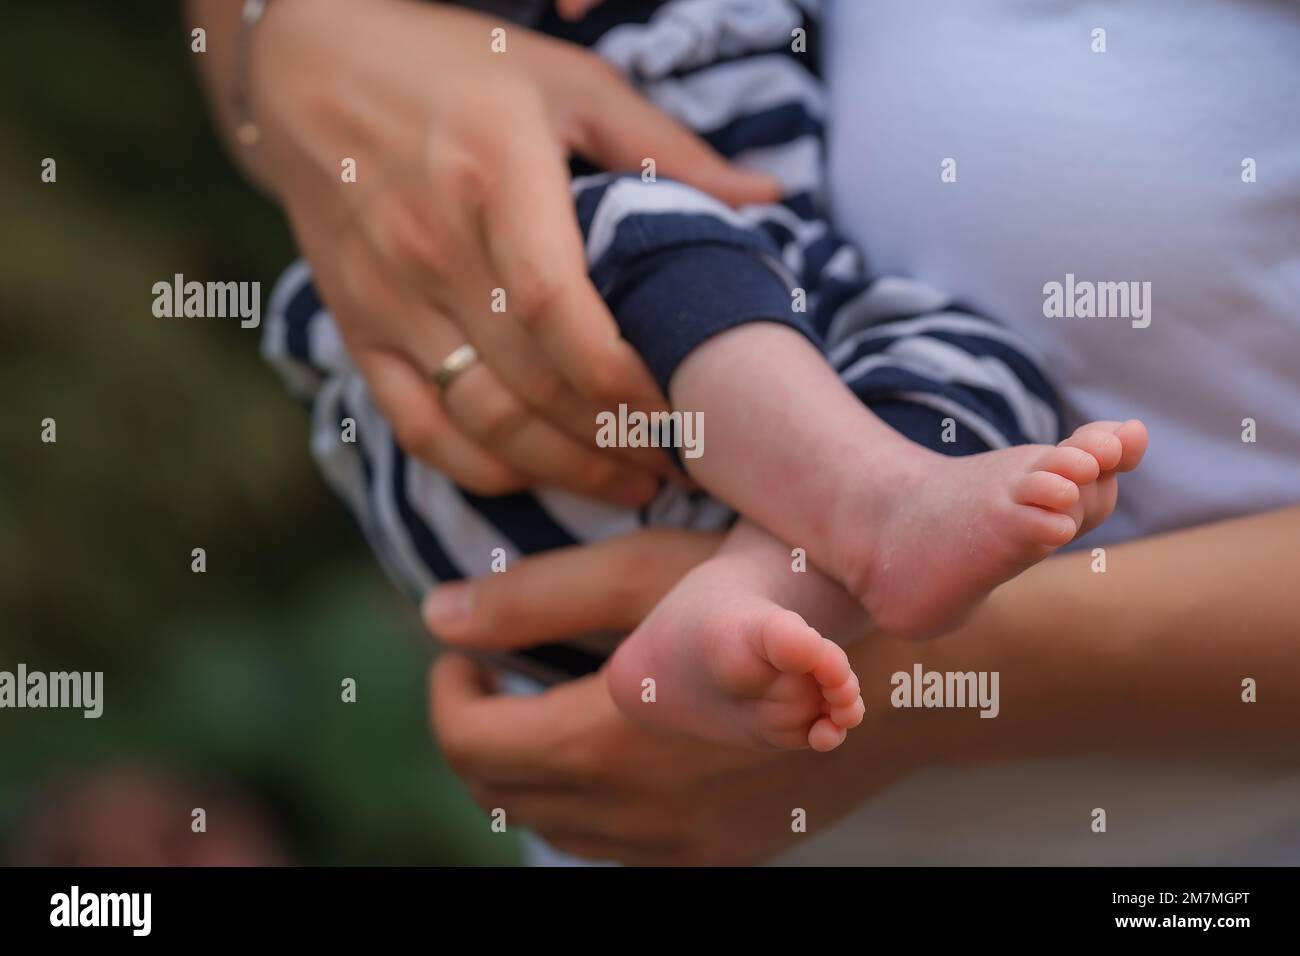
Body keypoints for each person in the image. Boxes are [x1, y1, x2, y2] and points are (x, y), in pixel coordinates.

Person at [193, 0, 1300, 864]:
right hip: (555, 362)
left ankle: (771, 582)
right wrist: (287, 41)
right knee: (641, 231)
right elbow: (265, 61)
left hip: (791, 323)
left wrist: (934, 690)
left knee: (976, 374)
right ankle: (856, 507)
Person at [261, 0, 1146, 753]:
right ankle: (869, 502)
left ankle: (752, 594)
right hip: (520, 417)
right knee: (613, 223)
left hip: (772, 359)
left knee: (972, 360)